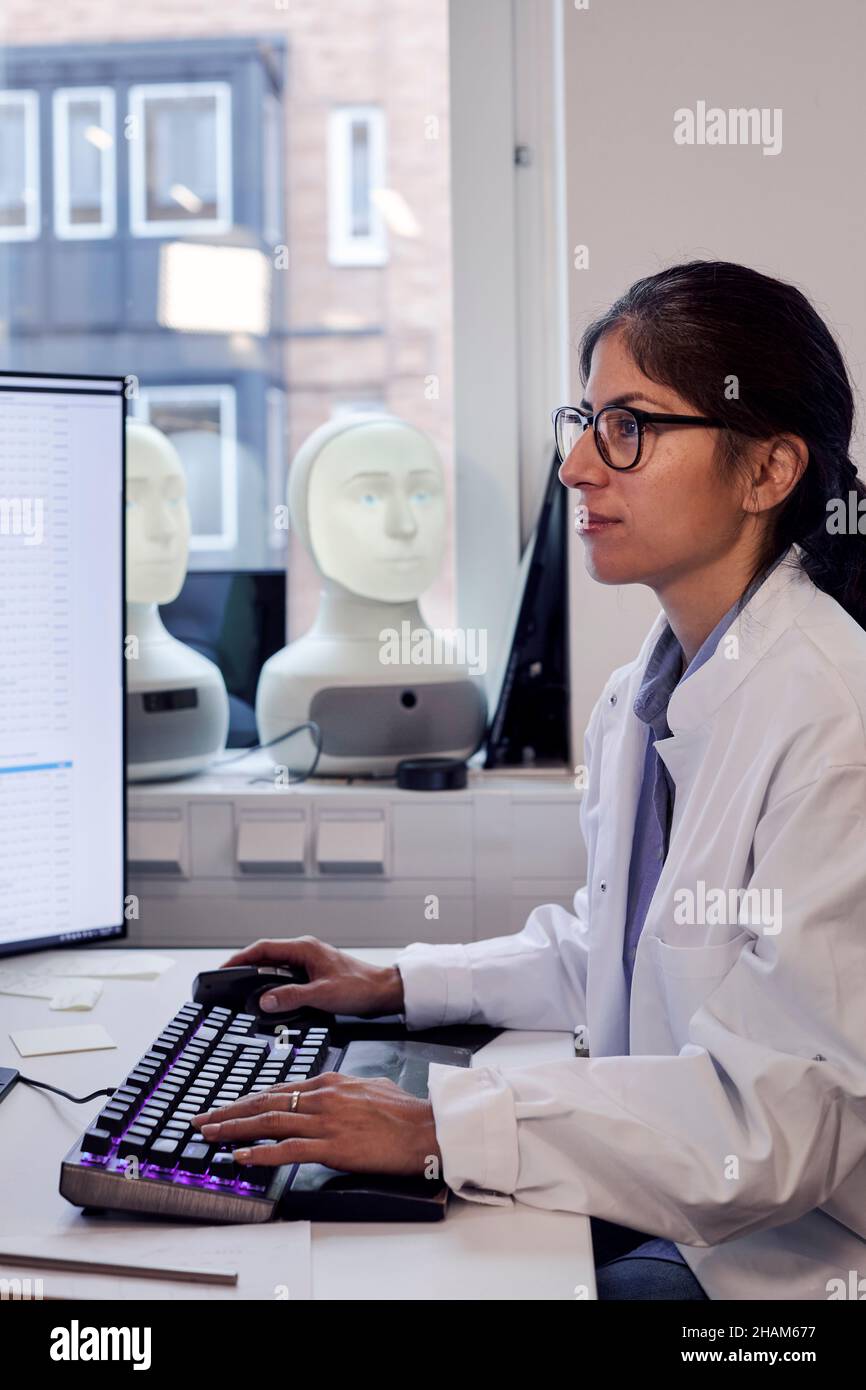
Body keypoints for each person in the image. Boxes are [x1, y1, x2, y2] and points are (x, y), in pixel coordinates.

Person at [193, 262, 866, 1301]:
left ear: (766, 469)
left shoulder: (833, 723)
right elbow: (617, 950)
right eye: (582, 420)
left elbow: (782, 1128)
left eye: (627, 428)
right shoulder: (649, 692)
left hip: (795, 1262)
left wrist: (433, 1130)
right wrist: (394, 983)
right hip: (689, 1206)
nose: (575, 467)